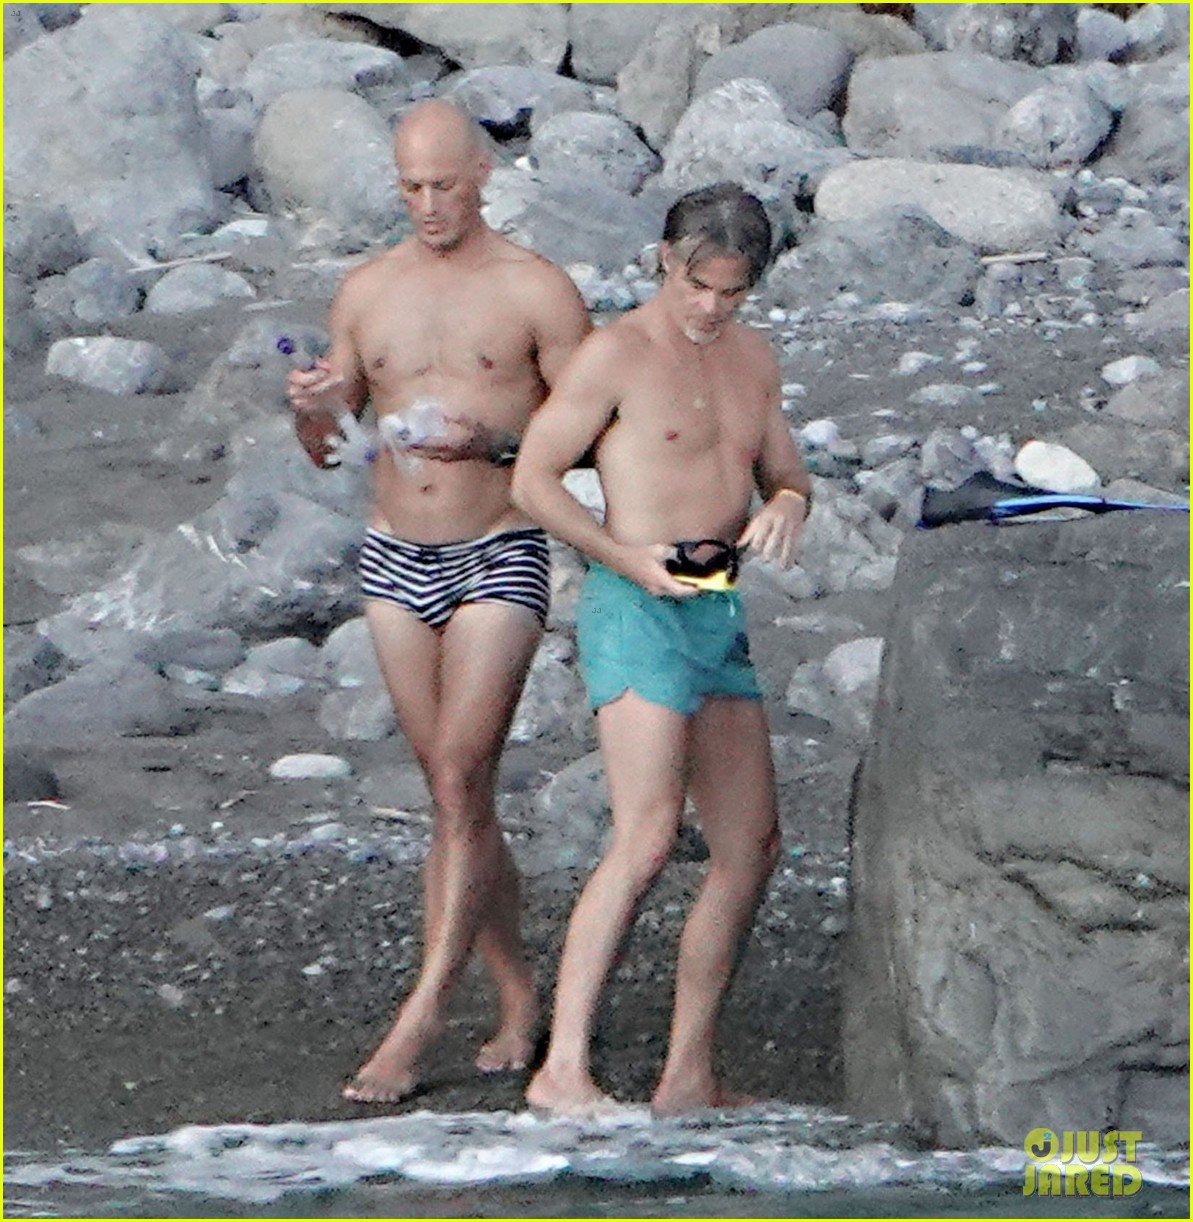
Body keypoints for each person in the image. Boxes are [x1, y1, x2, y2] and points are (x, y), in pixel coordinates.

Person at [287, 100, 591, 1103]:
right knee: (454, 794)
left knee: (462, 772)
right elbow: (334, 449)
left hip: (498, 547)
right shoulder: (367, 290)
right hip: (394, 555)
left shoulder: (536, 290)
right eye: (410, 188)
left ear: (482, 176)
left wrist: (494, 445)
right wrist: (312, 411)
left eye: (444, 186)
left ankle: (418, 1018)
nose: (427, 205)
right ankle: (516, 991)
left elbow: (592, 433)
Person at [511, 182, 813, 1116]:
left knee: (750, 845)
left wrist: (787, 504)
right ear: (664, 262)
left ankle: (687, 1074)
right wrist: (621, 556)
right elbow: (533, 479)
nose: (709, 308)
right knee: (644, 836)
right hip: (632, 602)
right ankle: (561, 1069)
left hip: (713, 605)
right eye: (696, 285)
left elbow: (785, 471)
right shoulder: (616, 354)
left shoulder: (752, 360)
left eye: (731, 292)